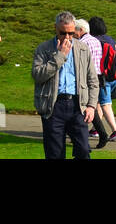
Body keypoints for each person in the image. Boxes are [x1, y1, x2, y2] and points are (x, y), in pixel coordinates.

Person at [32, 11, 98, 159]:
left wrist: (92, 106)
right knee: (55, 154)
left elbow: (93, 80)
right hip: (53, 105)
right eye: (63, 33)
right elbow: (37, 76)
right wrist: (60, 56)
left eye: (71, 33)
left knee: (83, 151)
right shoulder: (44, 49)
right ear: (55, 28)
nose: (67, 37)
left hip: (78, 106)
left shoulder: (82, 48)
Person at [74, 18, 113, 147]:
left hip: (86, 77)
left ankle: (97, 134)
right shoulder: (96, 41)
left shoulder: (82, 43)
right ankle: (100, 135)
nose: (73, 33)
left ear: (81, 30)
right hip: (97, 76)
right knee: (92, 106)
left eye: (75, 30)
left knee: (85, 106)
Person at [88, 16, 116, 142]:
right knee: (98, 102)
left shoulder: (93, 41)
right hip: (114, 76)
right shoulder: (110, 39)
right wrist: (112, 64)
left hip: (103, 78)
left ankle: (115, 131)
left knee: (105, 104)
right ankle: (95, 129)